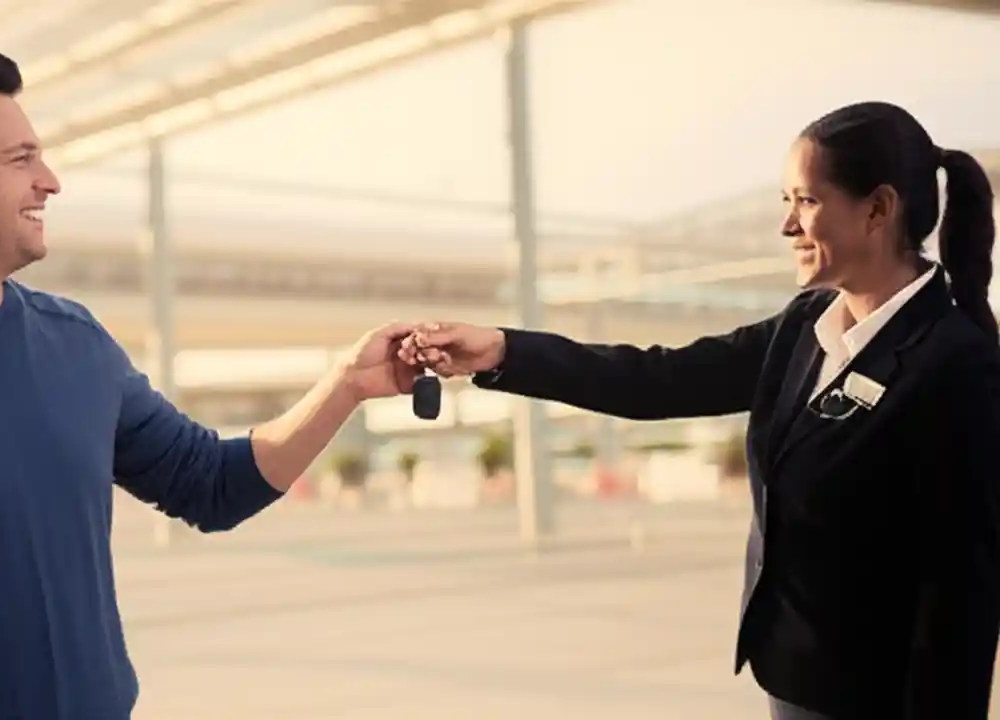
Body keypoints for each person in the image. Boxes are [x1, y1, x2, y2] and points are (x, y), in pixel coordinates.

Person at [0, 53, 421, 720]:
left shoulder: (76, 343)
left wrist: (345, 385)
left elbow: (211, 483)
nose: (49, 181)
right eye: (20, 159)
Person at [400, 101, 1000, 719]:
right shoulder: (802, 330)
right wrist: (503, 351)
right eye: (784, 202)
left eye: (807, 201)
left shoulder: (956, 364)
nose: (787, 226)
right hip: (793, 676)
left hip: (879, 697)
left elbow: (963, 597)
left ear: (878, 208)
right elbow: (656, 380)